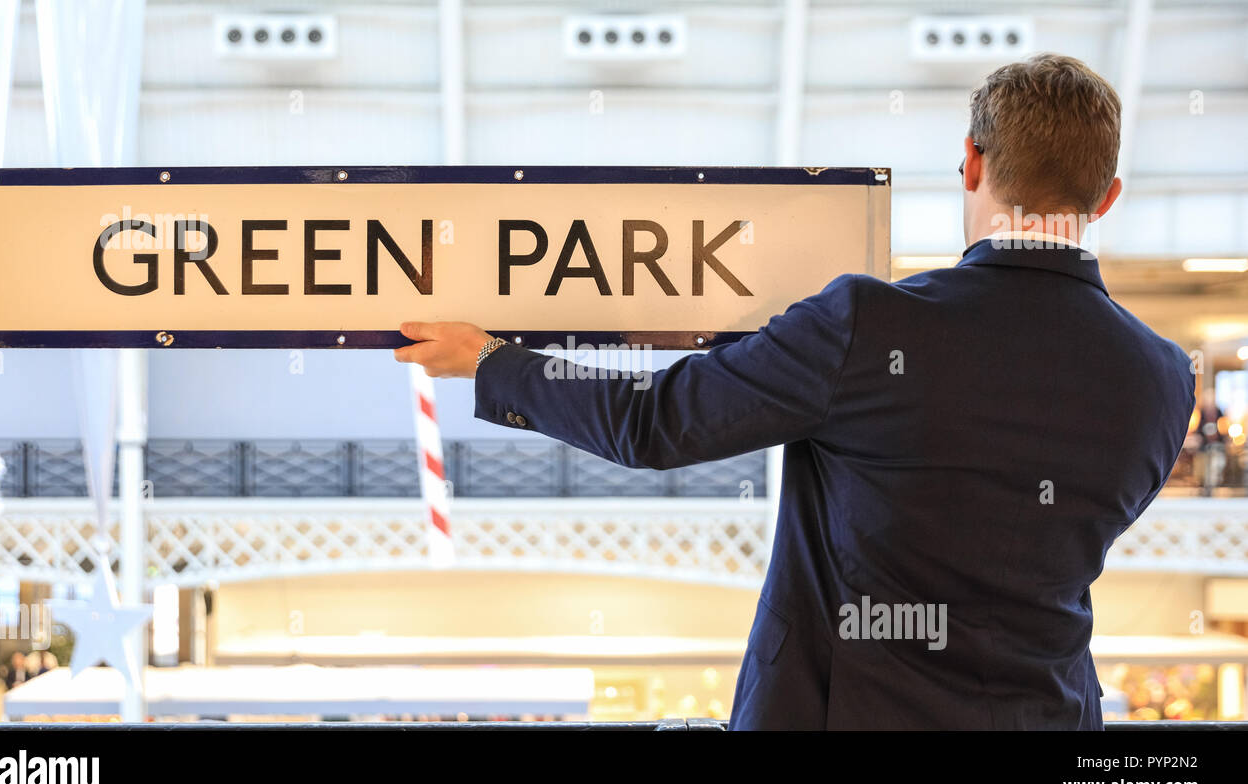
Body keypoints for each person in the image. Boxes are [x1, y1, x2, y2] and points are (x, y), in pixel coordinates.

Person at [394, 54, 1195, 729]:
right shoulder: (1163, 377)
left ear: (973, 162)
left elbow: (652, 424)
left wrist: (493, 361)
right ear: (1107, 196)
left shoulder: (866, 325)